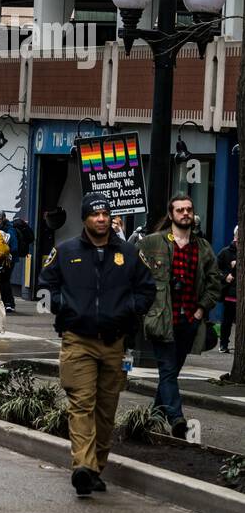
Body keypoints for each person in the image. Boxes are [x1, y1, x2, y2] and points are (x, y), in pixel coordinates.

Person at [40, 194, 155, 496]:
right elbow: (45, 285)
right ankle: (83, 467)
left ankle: (96, 467)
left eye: (105, 213)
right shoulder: (65, 252)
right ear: (85, 219)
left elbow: (147, 288)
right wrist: (64, 306)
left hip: (114, 342)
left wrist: (130, 308)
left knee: (106, 411)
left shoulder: (129, 254)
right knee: (81, 404)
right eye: (95, 214)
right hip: (78, 340)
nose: (101, 219)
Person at [137, 193, 223, 439]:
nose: (185, 213)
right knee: (166, 369)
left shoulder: (203, 248)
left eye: (188, 209)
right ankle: (177, 419)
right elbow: (135, 274)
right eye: (180, 210)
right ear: (171, 214)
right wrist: (144, 306)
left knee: (171, 372)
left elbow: (214, 283)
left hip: (189, 321)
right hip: (162, 319)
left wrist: (200, 311)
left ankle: (153, 418)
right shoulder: (153, 243)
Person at [0, 211, 19, 312]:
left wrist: (7, 254)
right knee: (2, 280)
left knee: (4, 280)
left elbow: (14, 246)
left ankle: (9, 303)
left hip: (8, 259)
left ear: (3, 218)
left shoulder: (10, 229)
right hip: (2, 259)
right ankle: (7, 302)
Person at [218, 226, 238, 353]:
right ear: (236, 237)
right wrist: (225, 277)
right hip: (230, 292)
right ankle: (223, 344)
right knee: (228, 320)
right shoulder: (225, 252)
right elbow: (215, 270)